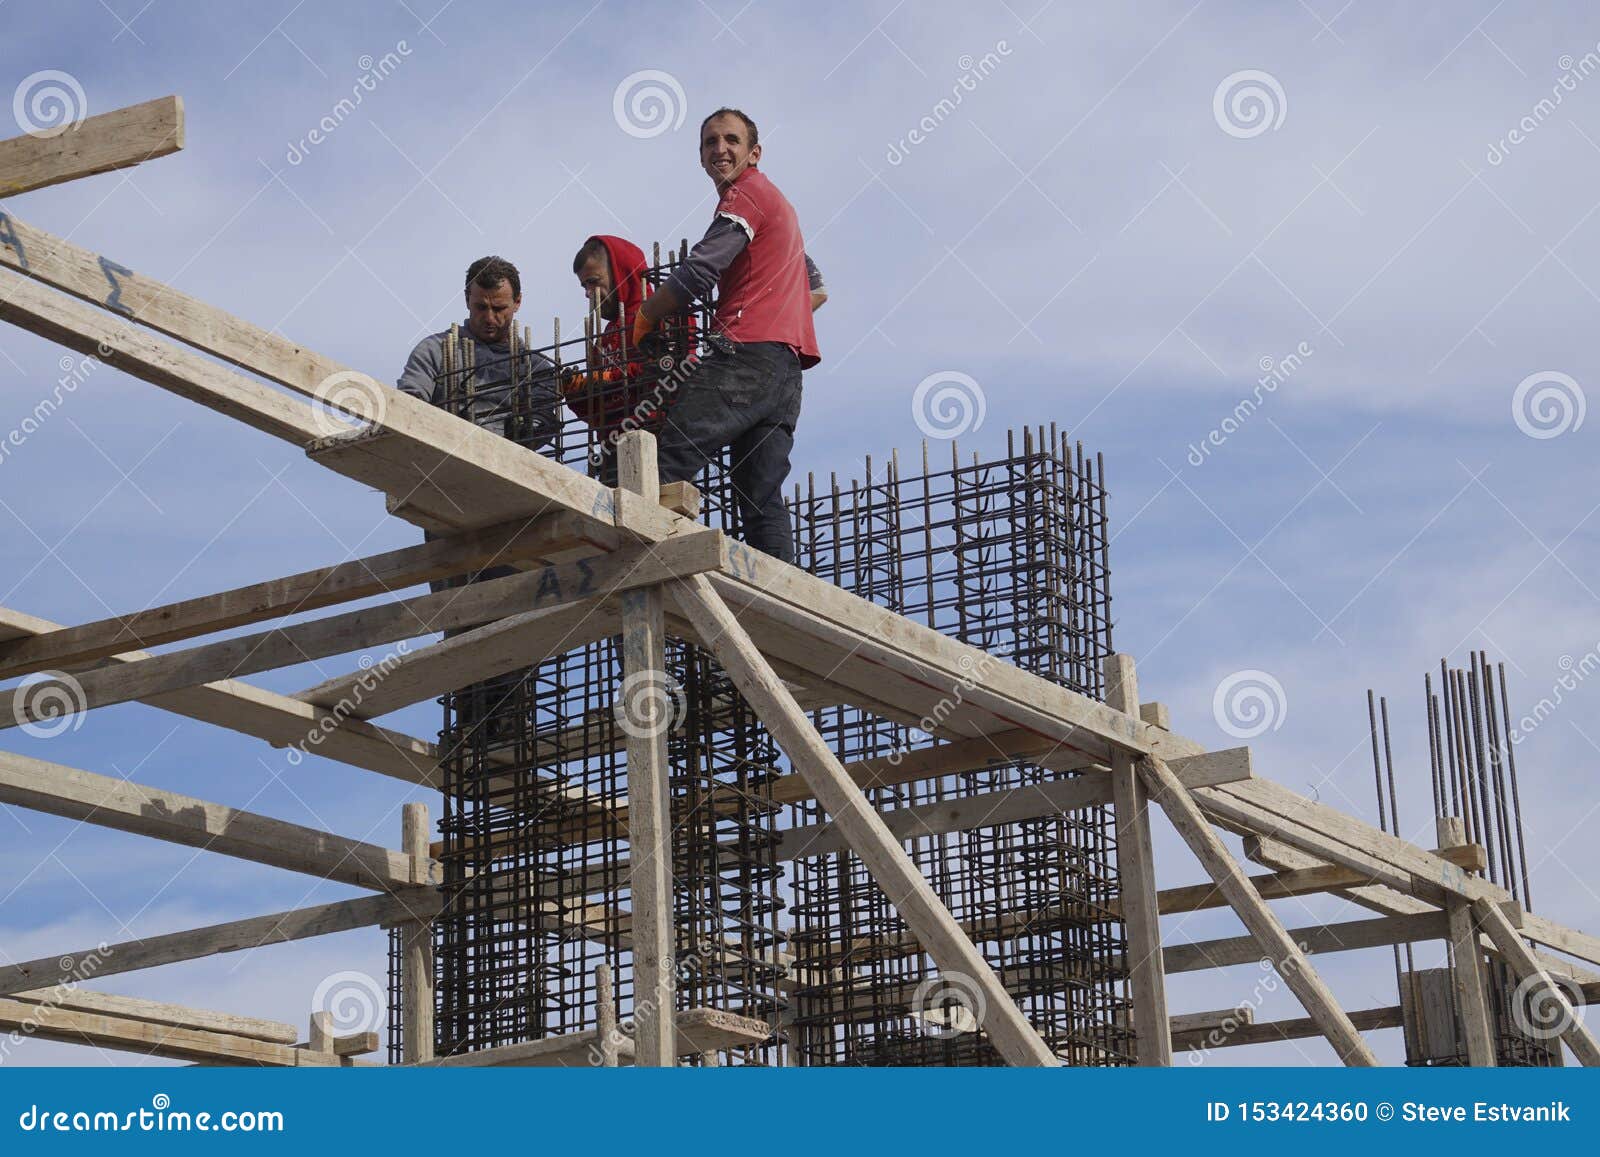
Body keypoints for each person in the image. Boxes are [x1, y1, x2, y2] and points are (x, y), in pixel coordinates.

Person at [632, 107, 826, 563]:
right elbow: (816, 290)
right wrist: (774, 309)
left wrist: (647, 313)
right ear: (700, 156)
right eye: (710, 142)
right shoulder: (779, 206)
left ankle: (647, 566)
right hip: (785, 372)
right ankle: (781, 605)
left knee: (667, 458)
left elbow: (701, 270)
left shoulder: (746, 194)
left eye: (732, 140)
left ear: (754, 153)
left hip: (744, 357)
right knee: (759, 495)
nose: (720, 149)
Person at [397, 255, 560, 447]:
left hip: (507, 470)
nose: (490, 318)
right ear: (467, 299)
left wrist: (527, 431)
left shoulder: (535, 366)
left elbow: (544, 417)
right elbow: (407, 407)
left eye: (499, 308)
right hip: (442, 461)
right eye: (481, 307)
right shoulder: (435, 350)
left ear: (517, 302)